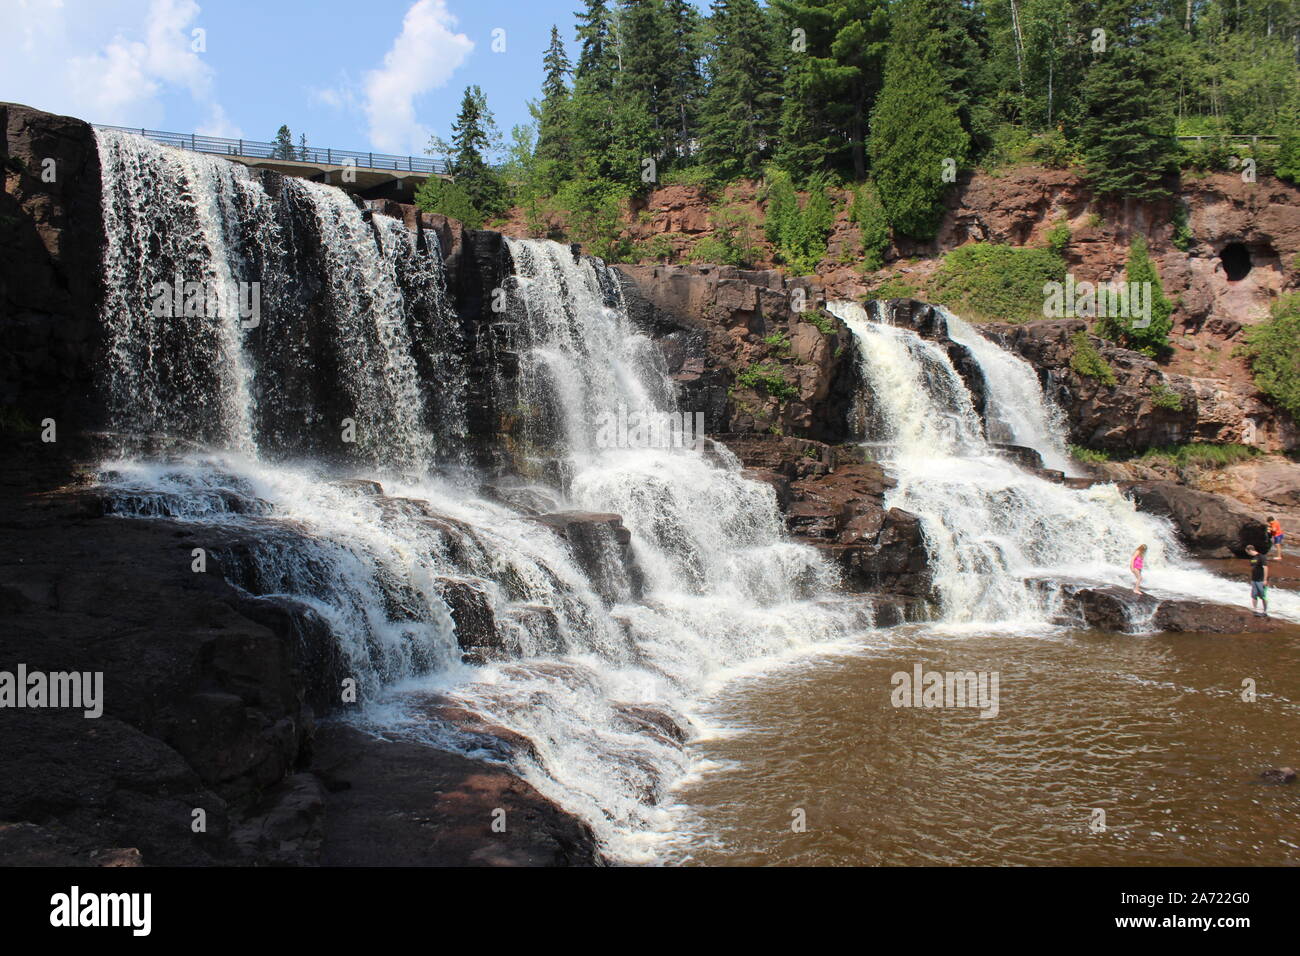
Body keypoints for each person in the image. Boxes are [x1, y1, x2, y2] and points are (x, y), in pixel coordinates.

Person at [1246, 545, 1269, 617]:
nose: (1247, 553)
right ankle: (1255, 610)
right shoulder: (1252, 558)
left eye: (1247, 552)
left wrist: (1265, 579)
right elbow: (1253, 568)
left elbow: (1265, 568)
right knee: (1254, 595)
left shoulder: (1261, 557)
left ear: (1249, 550)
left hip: (1261, 580)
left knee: (1263, 596)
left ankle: (1265, 611)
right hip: (1254, 580)